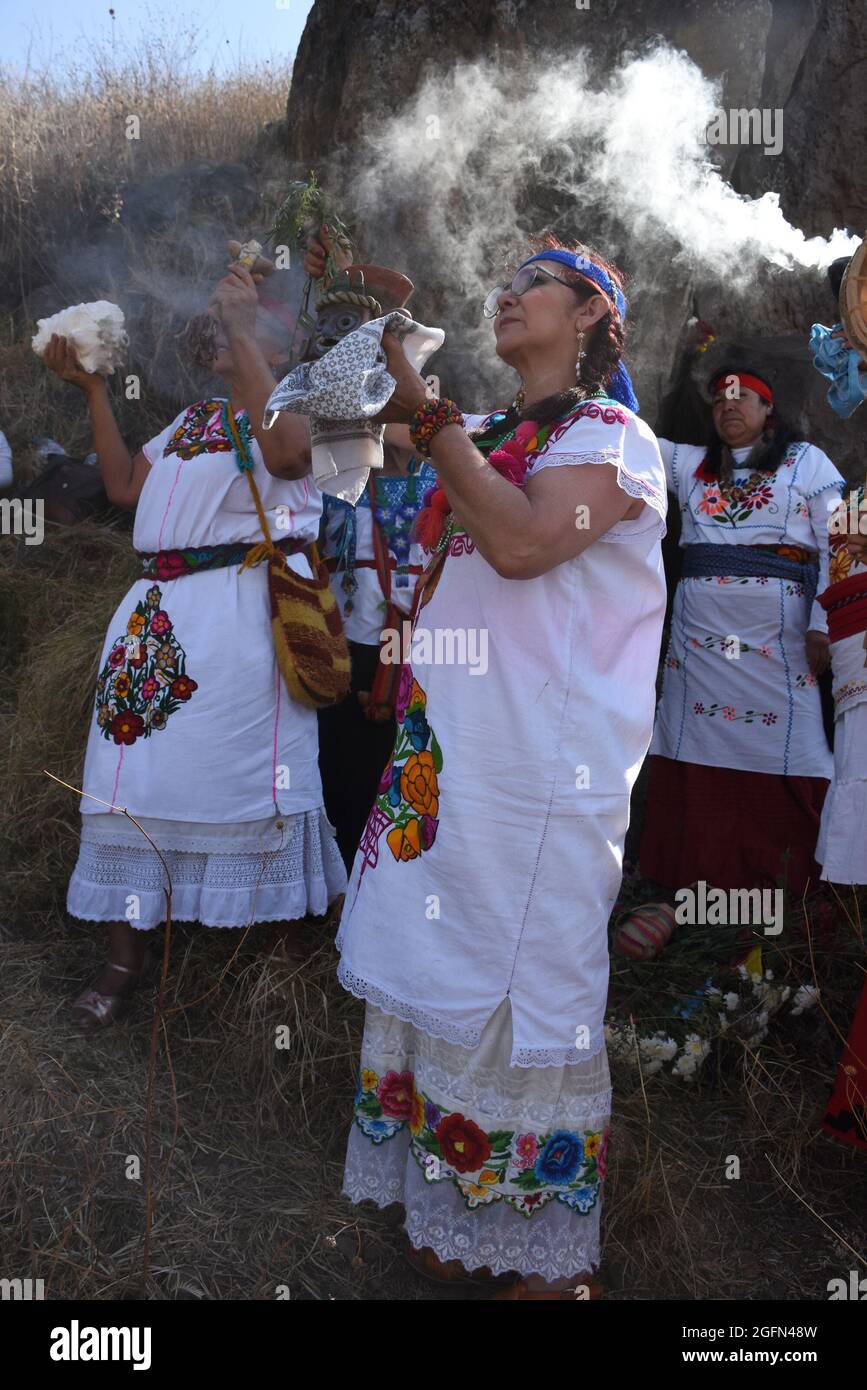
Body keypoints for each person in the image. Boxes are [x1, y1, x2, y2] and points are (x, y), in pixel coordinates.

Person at [266, 233, 668, 1296]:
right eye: (506, 279)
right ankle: (456, 1203)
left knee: (520, 971)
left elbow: (527, 540)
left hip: (542, 774)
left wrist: (427, 412)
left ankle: (544, 1256)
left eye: (533, 283)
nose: (508, 292)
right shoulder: (486, 427)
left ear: (590, 313)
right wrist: (361, 318)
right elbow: (310, 436)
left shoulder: (619, 441)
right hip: (449, 763)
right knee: (434, 962)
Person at [43, 261, 346, 1030]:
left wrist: (242, 329)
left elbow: (283, 461)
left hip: (244, 616)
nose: (225, 327)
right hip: (153, 621)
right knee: (130, 777)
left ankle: (279, 964)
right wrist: (94, 392)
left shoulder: (313, 408)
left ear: (290, 341)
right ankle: (122, 958)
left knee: (245, 779)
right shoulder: (187, 422)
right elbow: (121, 489)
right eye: (224, 319)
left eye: (252, 318)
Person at [640, 367, 844, 897]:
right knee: (689, 740)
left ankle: (797, 889)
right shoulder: (690, 464)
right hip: (698, 645)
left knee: (800, 748)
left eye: (742, 398)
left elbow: (842, 538)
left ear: (767, 411)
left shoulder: (807, 463)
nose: (729, 407)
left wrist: (824, 626)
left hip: (782, 646)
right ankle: (685, 882)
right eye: (720, 400)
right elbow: (627, 433)